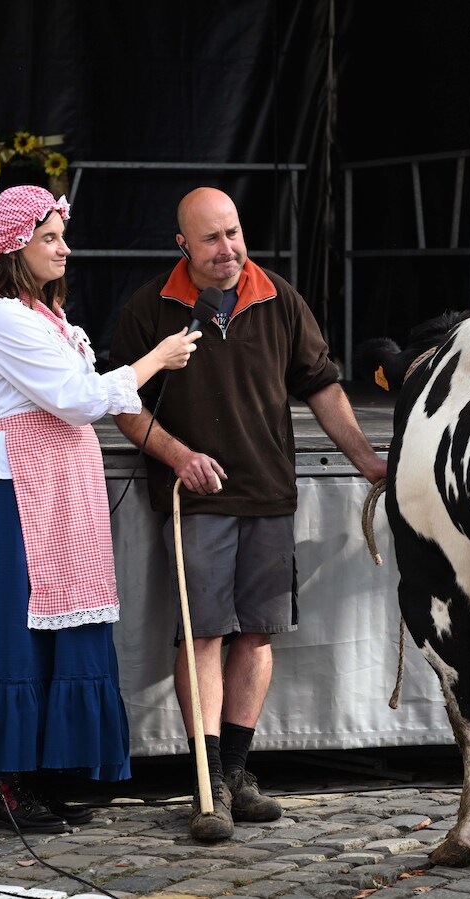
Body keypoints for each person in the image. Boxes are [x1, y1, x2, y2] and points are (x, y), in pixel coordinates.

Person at [111, 186, 388, 843]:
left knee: (257, 633)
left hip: (268, 490)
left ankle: (235, 776)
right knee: (203, 634)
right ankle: (206, 789)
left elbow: (321, 384)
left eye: (233, 233)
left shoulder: (278, 296)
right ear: (182, 243)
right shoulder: (151, 307)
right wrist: (177, 455)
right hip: (197, 497)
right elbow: (122, 402)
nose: (227, 249)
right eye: (210, 239)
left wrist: (367, 462)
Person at [0, 185, 200, 833]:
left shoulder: (52, 321)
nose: (65, 249)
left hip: (66, 485)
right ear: (15, 246)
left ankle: (50, 772)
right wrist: (156, 358)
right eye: (49, 238)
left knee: (67, 624)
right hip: (25, 491)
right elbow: (76, 398)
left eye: (63, 236)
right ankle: (10, 782)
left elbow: (49, 395)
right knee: (20, 627)